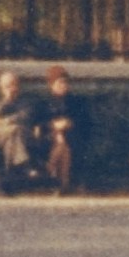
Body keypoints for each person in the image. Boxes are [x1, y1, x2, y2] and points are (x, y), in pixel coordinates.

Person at [0, 66, 41, 193]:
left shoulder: (25, 102)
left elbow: (25, 116)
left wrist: (3, 121)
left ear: (18, 86)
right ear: (1, 87)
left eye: (12, 85)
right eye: (7, 86)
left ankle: (8, 179)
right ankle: (25, 165)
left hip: (20, 137)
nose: (10, 89)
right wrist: (7, 102)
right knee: (14, 129)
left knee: (13, 133)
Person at [42, 66, 79, 195]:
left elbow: (83, 121)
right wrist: (54, 127)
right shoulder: (44, 102)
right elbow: (39, 123)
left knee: (63, 146)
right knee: (63, 146)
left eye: (65, 82)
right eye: (59, 82)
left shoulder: (76, 101)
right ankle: (63, 183)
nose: (63, 85)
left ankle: (53, 175)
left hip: (71, 136)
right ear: (51, 84)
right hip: (47, 138)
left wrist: (69, 124)